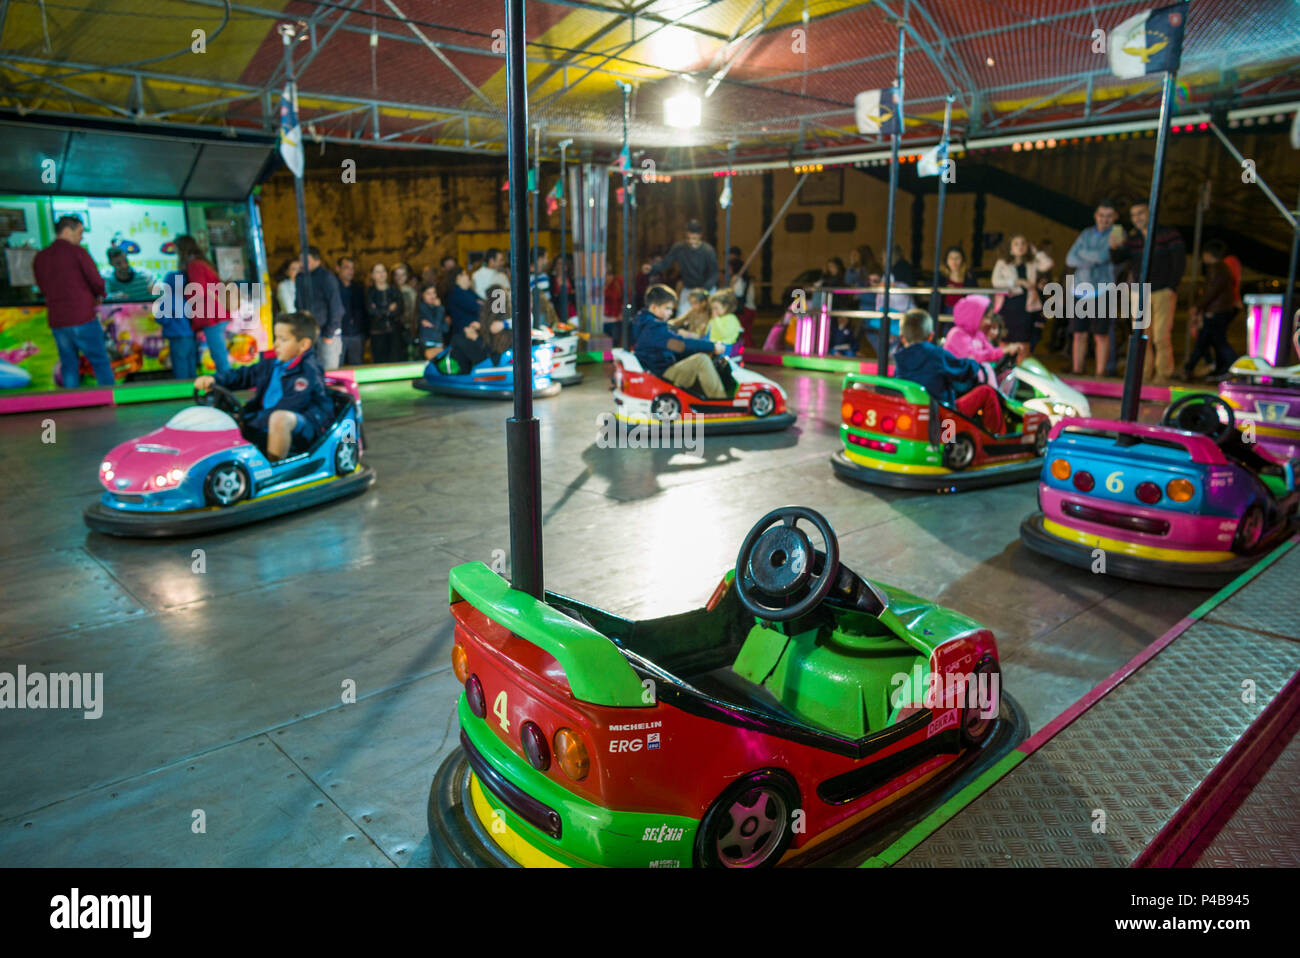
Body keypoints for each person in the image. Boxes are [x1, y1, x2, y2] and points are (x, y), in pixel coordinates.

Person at [194, 311, 332, 462]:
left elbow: (291, 405)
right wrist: (214, 380)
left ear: (303, 344)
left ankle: (275, 466)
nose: (276, 344)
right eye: (276, 338)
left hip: (308, 424)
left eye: (283, 339)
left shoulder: (307, 371)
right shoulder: (273, 363)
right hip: (268, 417)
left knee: (279, 418)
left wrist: (249, 423)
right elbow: (243, 375)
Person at [895, 308, 1006, 437]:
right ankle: (997, 438)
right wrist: (973, 363)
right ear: (931, 336)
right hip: (944, 418)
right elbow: (963, 371)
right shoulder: (936, 354)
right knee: (987, 392)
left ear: (902, 338)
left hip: (915, 414)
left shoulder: (899, 360)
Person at [32, 215, 115, 387]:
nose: (81, 237)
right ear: (68, 231)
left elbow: (42, 288)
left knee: (69, 364)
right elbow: (96, 281)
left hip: (57, 320)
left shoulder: (40, 257)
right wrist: (99, 294)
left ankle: (72, 405)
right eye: (80, 232)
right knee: (99, 361)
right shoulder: (78, 252)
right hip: (82, 317)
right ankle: (108, 399)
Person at [1110, 201, 1186, 384]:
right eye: (1134, 215)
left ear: (1150, 213)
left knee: (1161, 335)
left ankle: (1163, 374)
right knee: (1142, 336)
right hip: (1139, 292)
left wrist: (1171, 286)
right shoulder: (1134, 240)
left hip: (1162, 291)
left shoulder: (1168, 234)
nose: (1137, 218)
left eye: (1140, 213)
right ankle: (1142, 374)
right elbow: (1118, 258)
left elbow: (1179, 261)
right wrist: (1114, 246)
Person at [632, 284, 728, 398]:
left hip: (657, 369)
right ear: (653, 307)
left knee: (697, 355)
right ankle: (721, 401)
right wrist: (712, 347)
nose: (670, 313)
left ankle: (703, 398)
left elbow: (675, 346)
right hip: (662, 374)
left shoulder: (643, 322)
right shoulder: (654, 328)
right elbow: (680, 345)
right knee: (701, 360)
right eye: (667, 308)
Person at [1066, 199, 1121, 376]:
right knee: (1078, 333)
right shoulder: (1086, 233)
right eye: (1101, 215)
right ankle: (1077, 369)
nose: (1104, 219)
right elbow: (1070, 258)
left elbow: (1103, 256)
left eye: (1108, 216)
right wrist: (1092, 257)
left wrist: (1083, 254)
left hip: (1103, 290)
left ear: (1114, 218)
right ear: (1096, 216)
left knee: (1101, 335)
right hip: (1079, 290)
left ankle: (1100, 373)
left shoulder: (1117, 233)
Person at [1183, 239, 1239, 381]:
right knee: (1208, 341)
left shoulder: (1216, 269)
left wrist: (1198, 307)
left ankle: (1234, 365)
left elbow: (1210, 291)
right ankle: (1213, 369)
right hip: (1220, 310)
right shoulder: (1223, 268)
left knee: (1215, 341)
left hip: (1215, 311)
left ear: (1208, 254)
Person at [175, 234, 232, 376]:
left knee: (218, 354)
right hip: (216, 313)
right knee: (219, 352)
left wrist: (179, 292)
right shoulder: (202, 263)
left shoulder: (194, 265)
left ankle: (230, 383)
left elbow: (198, 290)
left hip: (211, 315)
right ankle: (229, 380)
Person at [990, 235, 1052, 363]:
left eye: (1023, 243)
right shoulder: (1003, 263)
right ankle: (1003, 369)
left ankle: (1021, 371)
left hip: (1027, 305)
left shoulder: (1032, 263)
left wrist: (1035, 251)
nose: (1020, 247)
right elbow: (995, 281)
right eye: (1016, 244)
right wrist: (1017, 282)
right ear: (1010, 248)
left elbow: (1048, 264)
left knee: (1024, 341)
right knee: (1005, 339)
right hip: (1008, 305)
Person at [650, 219, 719, 316]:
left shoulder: (708, 250)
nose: (691, 242)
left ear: (700, 235)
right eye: (689, 238)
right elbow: (665, 263)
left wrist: (704, 289)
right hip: (689, 288)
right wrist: (652, 267)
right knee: (682, 313)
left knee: (710, 316)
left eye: (694, 238)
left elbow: (714, 273)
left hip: (706, 289)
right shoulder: (679, 248)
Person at [293, 247, 345, 370]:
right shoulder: (300, 278)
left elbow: (336, 307)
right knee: (310, 369)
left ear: (317, 261)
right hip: (308, 332)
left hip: (326, 332)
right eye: (301, 260)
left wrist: (329, 333)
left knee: (328, 370)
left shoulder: (327, 277)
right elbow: (298, 303)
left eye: (307, 260)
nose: (302, 264)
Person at [944, 294, 1017, 366]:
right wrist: (1003, 350)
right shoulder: (956, 334)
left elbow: (991, 353)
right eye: (986, 318)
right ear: (974, 315)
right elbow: (972, 357)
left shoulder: (978, 334)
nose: (988, 322)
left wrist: (1006, 350)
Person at [156, 266, 197, 379]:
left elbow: (163, 318)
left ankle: (183, 390)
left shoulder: (167, 300)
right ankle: (194, 388)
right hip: (190, 336)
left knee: (180, 364)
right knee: (191, 362)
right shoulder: (187, 299)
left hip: (177, 338)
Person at [366, 262, 404, 364]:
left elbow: (398, 310)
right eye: (378, 272)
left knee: (395, 362)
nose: (381, 274)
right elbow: (371, 312)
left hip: (394, 332)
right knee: (380, 363)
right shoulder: (370, 292)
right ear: (373, 275)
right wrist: (388, 309)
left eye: (383, 271)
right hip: (377, 333)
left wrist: (380, 310)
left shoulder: (394, 290)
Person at [335, 256, 368, 366]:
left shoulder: (358, 288)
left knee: (357, 365)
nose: (350, 271)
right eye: (346, 268)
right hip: (339, 334)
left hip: (356, 333)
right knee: (336, 365)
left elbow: (363, 310)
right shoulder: (333, 288)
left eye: (352, 268)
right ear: (338, 269)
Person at [391, 263, 419, 358]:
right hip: (392, 329)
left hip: (407, 329)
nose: (400, 277)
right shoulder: (389, 290)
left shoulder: (411, 292)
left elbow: (414, 312)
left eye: (403, 274)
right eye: (397, 274)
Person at [938, 246, 978, 311]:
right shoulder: (941, 275)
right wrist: (944, 289)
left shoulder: (969, 276)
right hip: (946, 309)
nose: (954, 261)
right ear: (946, 260)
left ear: (962, 259)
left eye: (957, 258)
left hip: (965, 310)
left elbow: (975, 295)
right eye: (951, 258)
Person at [444, 267, 481, 335]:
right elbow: (477, 308)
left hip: (474, 330)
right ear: (459, 277)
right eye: (465, 274)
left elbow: (483, 303)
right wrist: (478, 303)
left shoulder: (467, 291)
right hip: (465, 333)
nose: (468, 277)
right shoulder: (456, 293)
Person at [417, 283, 448, 360]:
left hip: (438, 344)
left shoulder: (437, 308)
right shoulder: (422, 308)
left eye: (434, 293)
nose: (432, 296)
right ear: (422, 295)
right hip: (428, 345)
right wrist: (439, 308)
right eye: (428, 293)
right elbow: (437, 325)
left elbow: (445, 328)